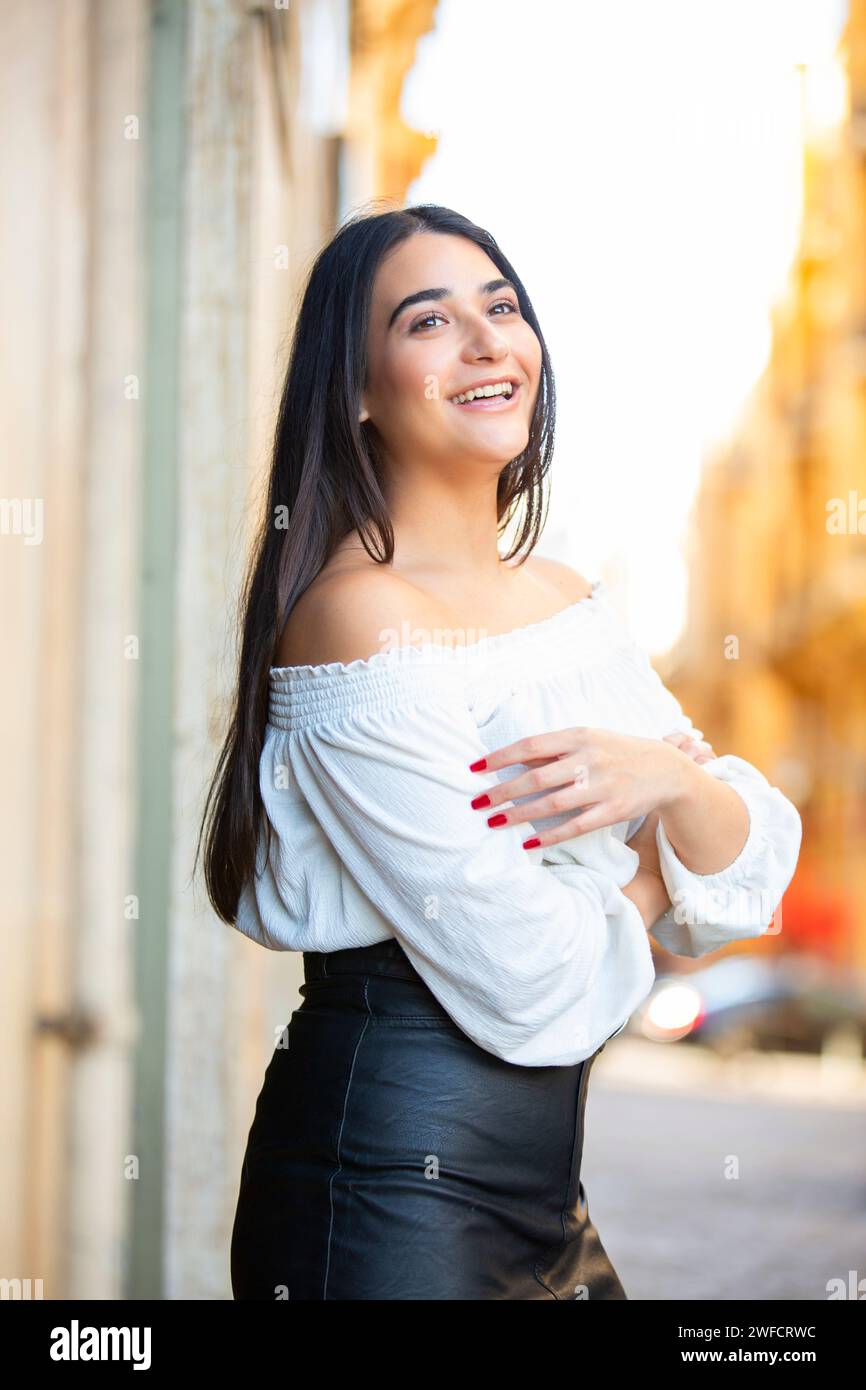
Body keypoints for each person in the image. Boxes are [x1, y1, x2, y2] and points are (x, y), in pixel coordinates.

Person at [195, 204, 803, 1300]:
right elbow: (535, 976)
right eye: (428, 320)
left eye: (502, 307)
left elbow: (749, 873)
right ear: (357, 388)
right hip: (384, 1187)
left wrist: (668, 779)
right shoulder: (358, 620)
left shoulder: (567, 603)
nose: (487, 344)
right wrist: (661, 849)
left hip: (541, 1193)